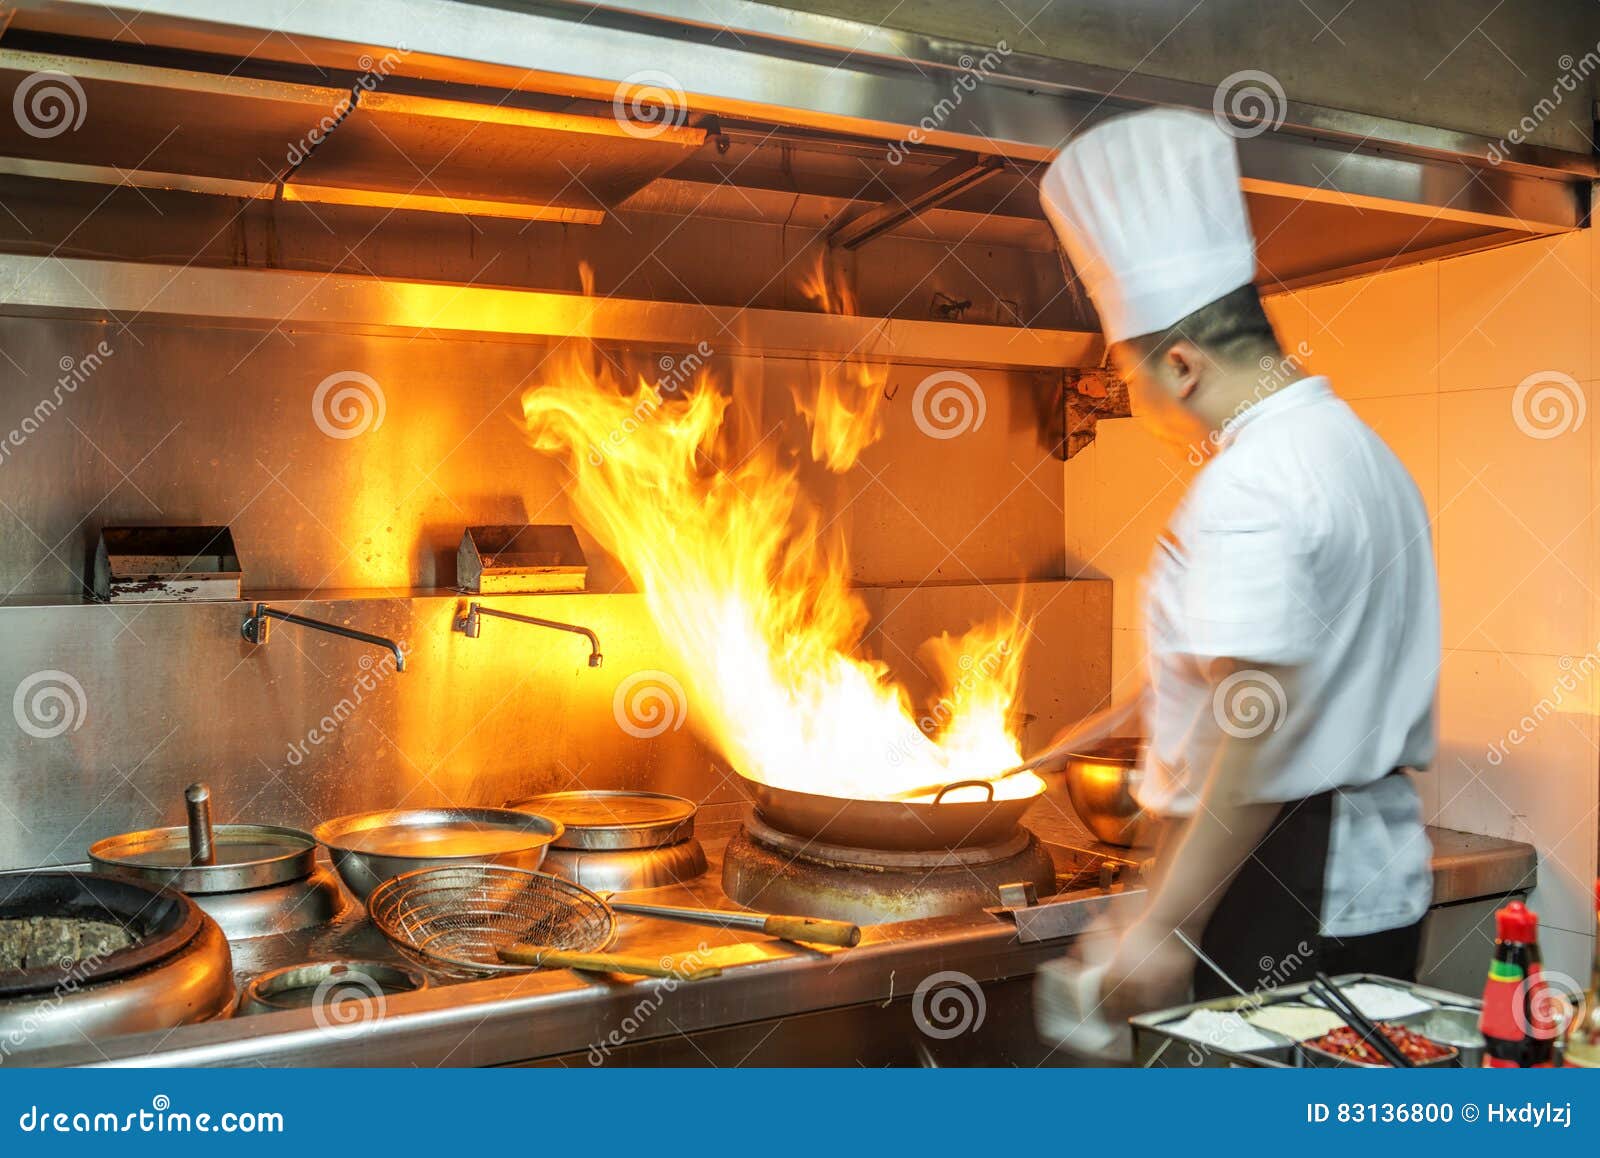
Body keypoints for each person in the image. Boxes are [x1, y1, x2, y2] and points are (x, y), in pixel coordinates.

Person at [1036, 107, 1441, 1017]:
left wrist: (1162, 925)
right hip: (1360, 875)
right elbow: (1290, 653)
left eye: (1125, 374)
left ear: (1180, 364)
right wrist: (1127, 711)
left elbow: (1255, 733)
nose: (1123, 395)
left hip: (1280, 883)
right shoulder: (1356, 451)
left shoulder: (1246, 486)